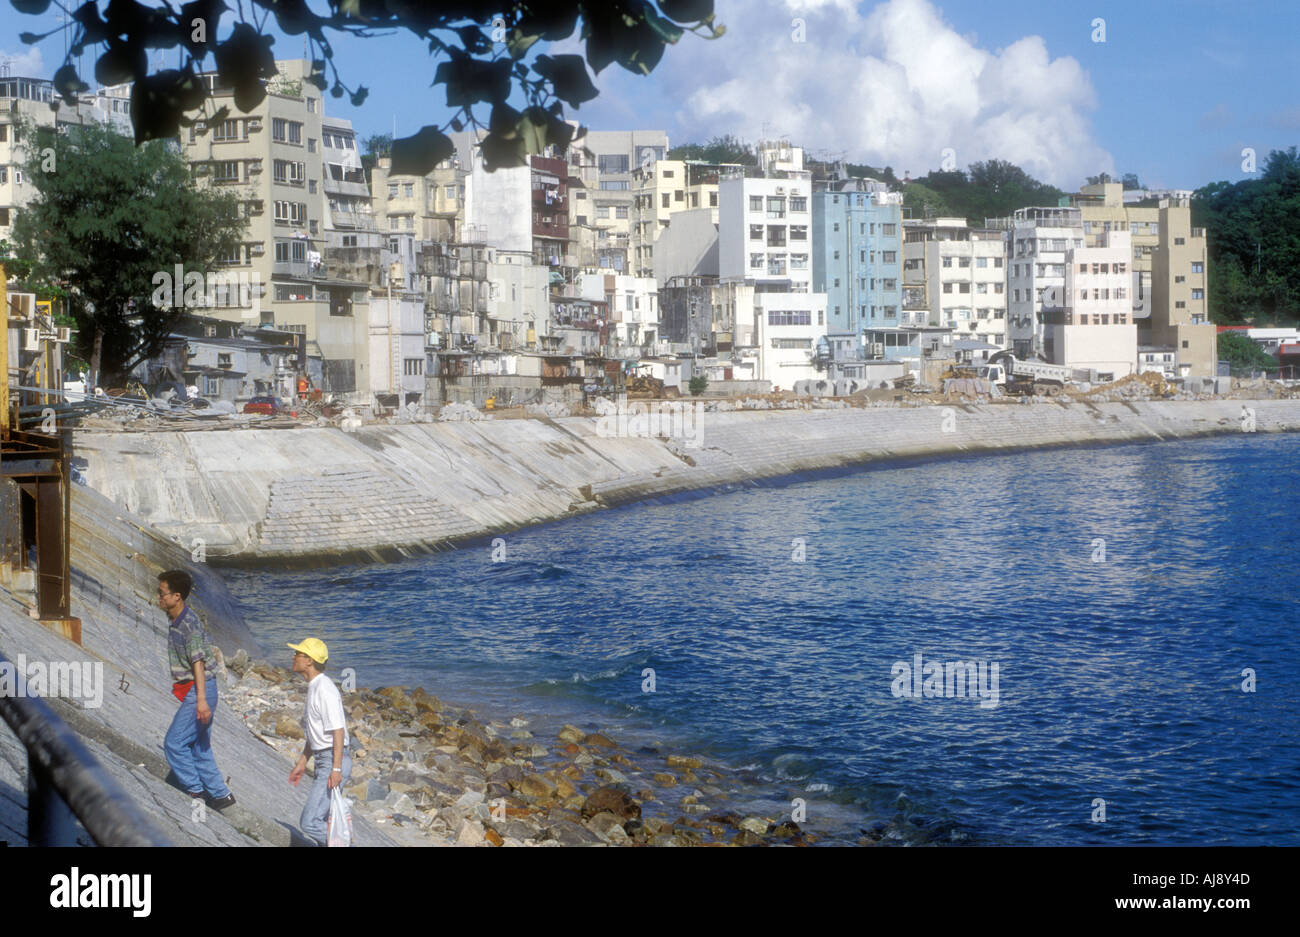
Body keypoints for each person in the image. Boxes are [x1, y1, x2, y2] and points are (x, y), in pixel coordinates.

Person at [158, 570, 235, 809]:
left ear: (177, 596)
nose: (159, 597)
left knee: (174, 743)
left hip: (200, 689)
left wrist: (201, 701)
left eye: (162, 593)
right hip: (201, 689)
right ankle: (221, 795)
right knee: (199, 746)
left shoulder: (188, 625)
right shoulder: (177, 619)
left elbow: (198, 663)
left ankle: (195, 791)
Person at [287, 637, 351, 846]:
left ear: (309, 661)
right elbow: (316, 734)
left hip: (333, 759)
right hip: (325, 759)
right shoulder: (314, 686)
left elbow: (338, 731)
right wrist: (302, 762)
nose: (293, 657)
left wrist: (336, 769)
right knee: (321, 820)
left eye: (298, 654)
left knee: (311, 822)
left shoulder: (324, 689)